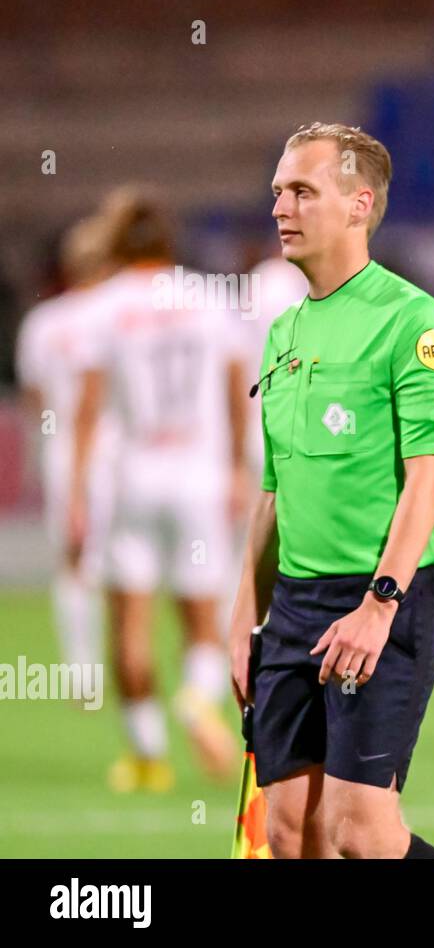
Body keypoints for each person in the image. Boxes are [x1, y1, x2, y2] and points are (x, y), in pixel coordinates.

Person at [227, 123, 434, 859]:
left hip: (385, 597)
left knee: (359, 832)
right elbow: (275, 488)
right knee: (291, 834)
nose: (281, 208)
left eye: (302, 191)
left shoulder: (411, 319)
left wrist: (379, 604)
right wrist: (245, 615)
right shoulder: (285, 333)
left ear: (360, 204)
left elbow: (431, 473)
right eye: (277, 193)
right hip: (294, 607)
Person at [70, 189, 246, 791]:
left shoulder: (102, 306)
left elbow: (88, 411)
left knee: (131, 621)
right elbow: (235, 388)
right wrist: (240, 468)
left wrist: (74, 496)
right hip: (199, 474)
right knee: (202, 619)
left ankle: (147, 758)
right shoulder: (206, 297)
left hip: (134, 479)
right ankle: (198, 699)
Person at [16, 217, 117, 679]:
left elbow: (33, 398)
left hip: (63, 452)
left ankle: (82, 670)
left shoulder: (43, 321)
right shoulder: (117, 315)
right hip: (117, 449)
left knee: (73, 561)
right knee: (123, 558)